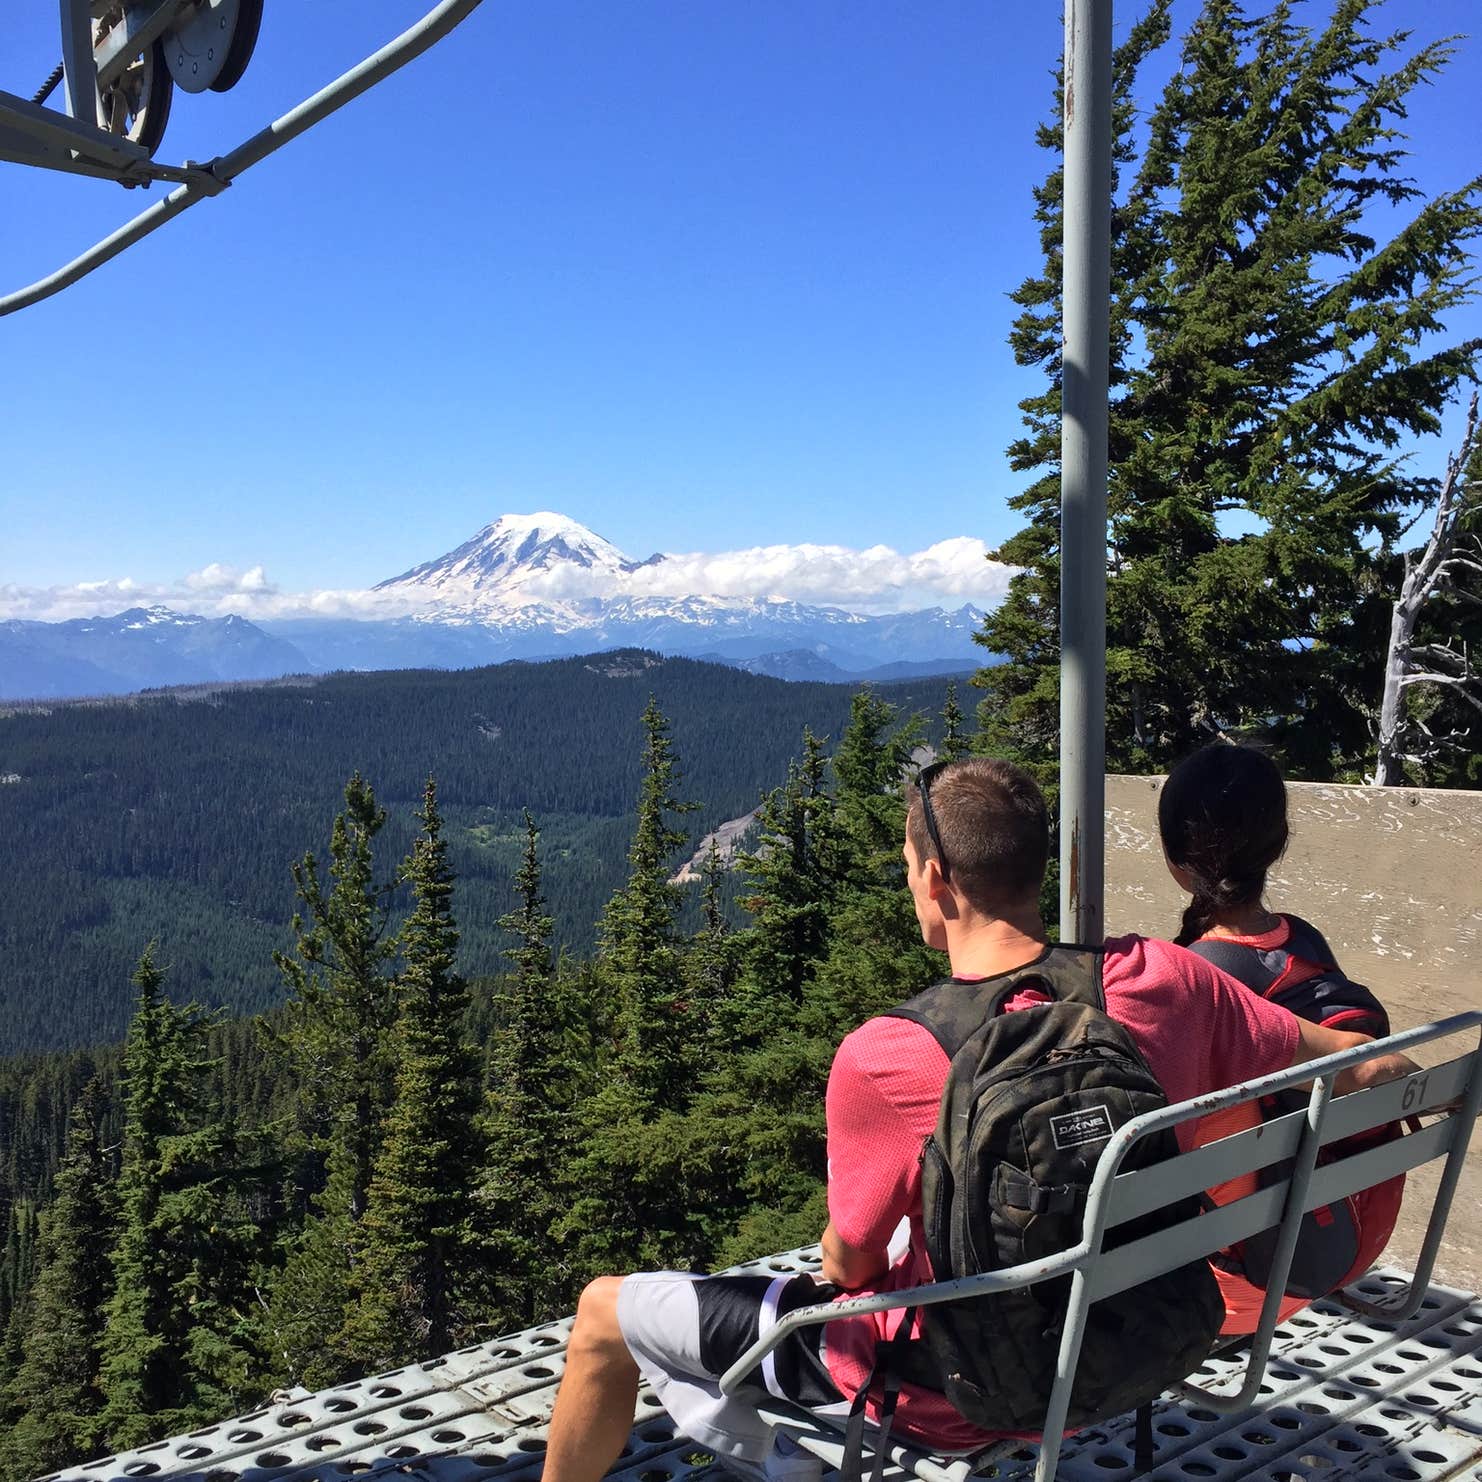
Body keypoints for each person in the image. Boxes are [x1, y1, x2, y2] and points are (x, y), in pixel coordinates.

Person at [540, 758, 1416, 1482]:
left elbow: (846, 1267)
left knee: (605, 1312)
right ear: (1038, 869)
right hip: (1134, 1343)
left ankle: (777, 1450)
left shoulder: (889, 1053)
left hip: (946, 1390)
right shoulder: (1167, 978)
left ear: (934, 879)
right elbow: (1357, 1060)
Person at [1157, 740, 1404, 1332]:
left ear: (1176, 860)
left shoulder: (1186, 980)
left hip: (1234, 1285)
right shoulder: (1306, 943)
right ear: (1278, 843)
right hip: (1337, 1248)